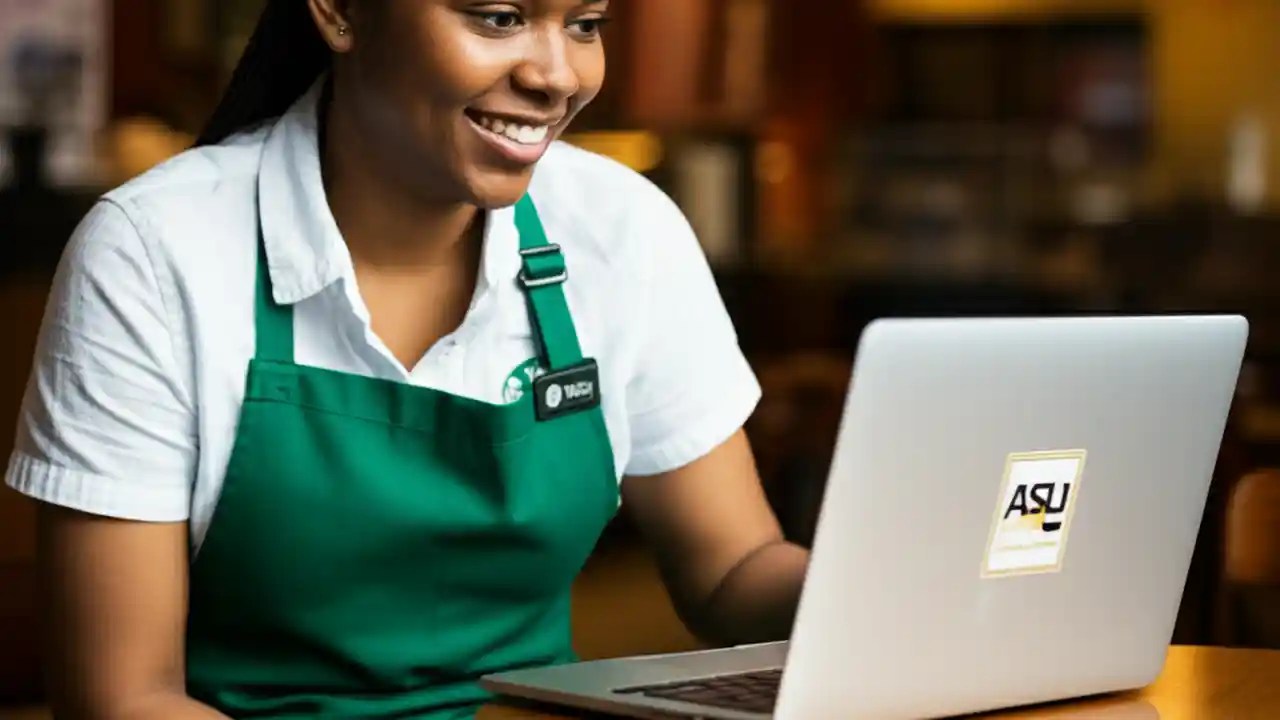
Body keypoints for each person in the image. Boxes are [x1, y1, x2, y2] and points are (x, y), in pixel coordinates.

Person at [6, 1, 810, 718]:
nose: (558, 75)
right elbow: (121, 696)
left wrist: (869, 595)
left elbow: (733, 569)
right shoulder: (155, 251)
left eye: (584, 25)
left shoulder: (622, 228)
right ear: (338, 11)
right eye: (499, 17)